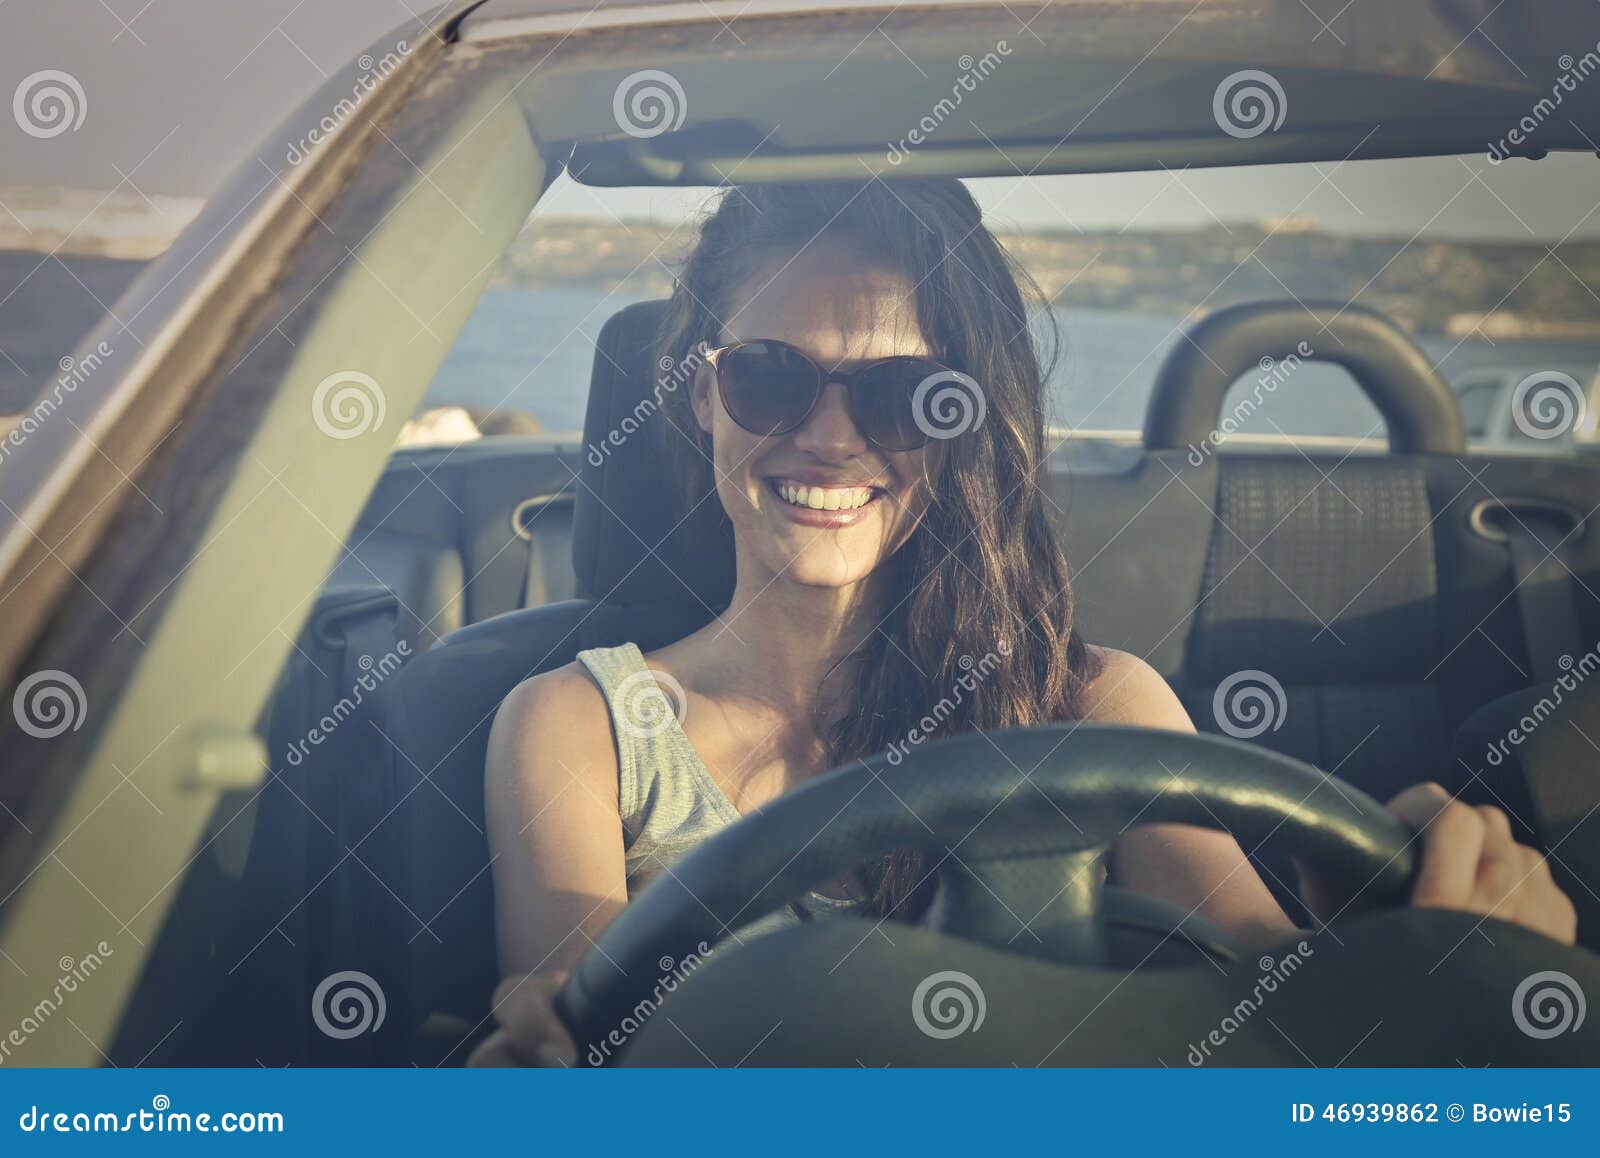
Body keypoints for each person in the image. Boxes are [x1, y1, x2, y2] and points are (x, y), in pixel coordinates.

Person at [469, 180, 1576, 1067]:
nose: (829, 437)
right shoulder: (575, 726)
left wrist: (1444, 954)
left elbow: (1277, 1017)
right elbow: (580, 1047)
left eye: (901, 394)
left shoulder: (1093, 707)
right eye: (769, 378)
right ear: (700, 394)